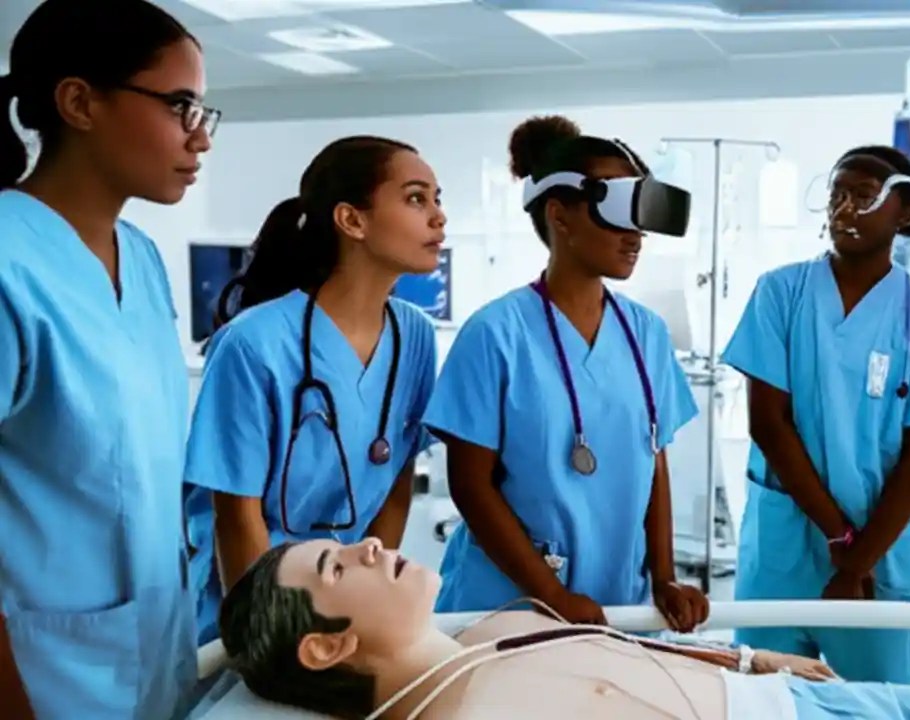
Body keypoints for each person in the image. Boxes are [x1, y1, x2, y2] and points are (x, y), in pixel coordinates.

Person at [218, 537, 910, 720]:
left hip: (797, 695)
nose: (375, 544)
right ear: (328, 646)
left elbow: (627, 651)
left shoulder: (488, 634)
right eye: (339, 567)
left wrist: (749, 651)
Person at [0, 1, 216, 717]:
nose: (199, 138)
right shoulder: (8, 262)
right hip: (41, 677)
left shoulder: (145, 262)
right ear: (78, 102)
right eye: (179, 105)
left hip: (153, 655)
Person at [424, 114, 709, 631]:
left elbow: (654, 463)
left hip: (616, 600)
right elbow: (470, 486)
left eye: (641, 214)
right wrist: (550, 592)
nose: (635, 234)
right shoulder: (495, 334)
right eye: (619, 212)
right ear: (559, 216)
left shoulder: (646, 332)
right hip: (507, 605)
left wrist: (665, 577)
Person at [723, 145, 910, 685]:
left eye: (863, 197)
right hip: (786, 548)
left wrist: (861, 560)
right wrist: (842, 541)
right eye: (836, 196)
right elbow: (768, 426)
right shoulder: (781, 293)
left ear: (905, 214)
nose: (844, 210)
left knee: (876, 703)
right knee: (763, 699)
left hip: (881, 555)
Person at [183, 135, 444, 645]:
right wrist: (266, 639)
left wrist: (368, 599)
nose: (437, 216)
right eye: (416, 198)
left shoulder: (414, 335)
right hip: (246, 602)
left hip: (340, 601)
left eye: (438, 199)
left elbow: (394, 481)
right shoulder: (253, 343)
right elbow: (237, 514)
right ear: (352, 220)